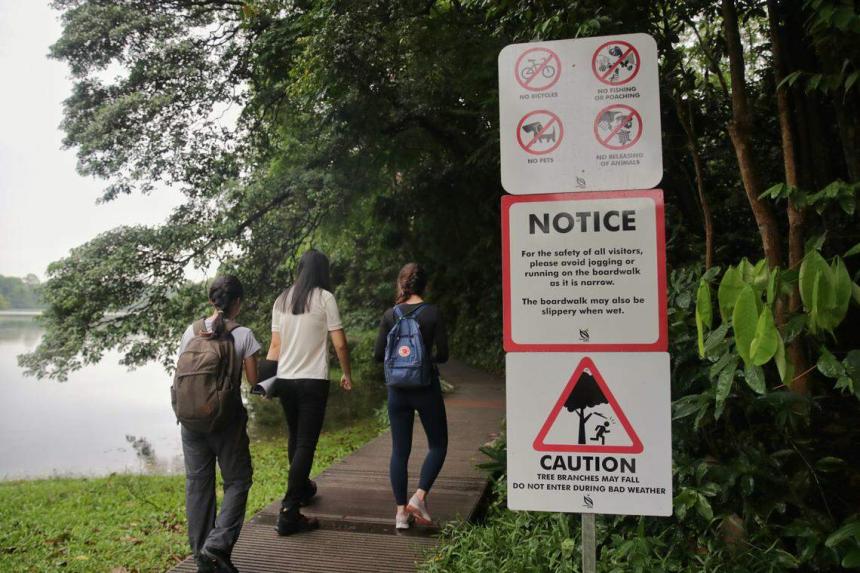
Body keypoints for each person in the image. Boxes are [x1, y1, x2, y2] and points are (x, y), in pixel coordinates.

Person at [176, 275, 260, 573]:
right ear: (236, 302)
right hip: (225, 421)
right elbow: (254, 382)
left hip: (190, 420)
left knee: (198, 486)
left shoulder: (191, 331)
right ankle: (217, 546)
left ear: (212, 300)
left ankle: (203, 558)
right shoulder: (244, 335)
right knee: (238, 480)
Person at [266, 249, 353, 535]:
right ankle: (289, 510)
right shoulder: (325, 298)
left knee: (296, 437)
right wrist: (347, 374)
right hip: (313, 381)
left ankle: (302, 490)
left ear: (300, 269)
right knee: (306, 442)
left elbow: (275, 348)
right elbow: (339, 343)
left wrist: (266, 383)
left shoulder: (281, 299)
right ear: (322, 271)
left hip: (286, 380)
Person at [373, 263, 449, 530]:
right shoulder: (432, 313)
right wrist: (425, 358)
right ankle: (419, 497)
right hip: (425, 388)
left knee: (399, 452)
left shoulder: (389, 315)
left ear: (401, 284)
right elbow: (444, 354)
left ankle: (400, 515)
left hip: (397, 391)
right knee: (438, 445)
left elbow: (377, 355)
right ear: (424, 285)